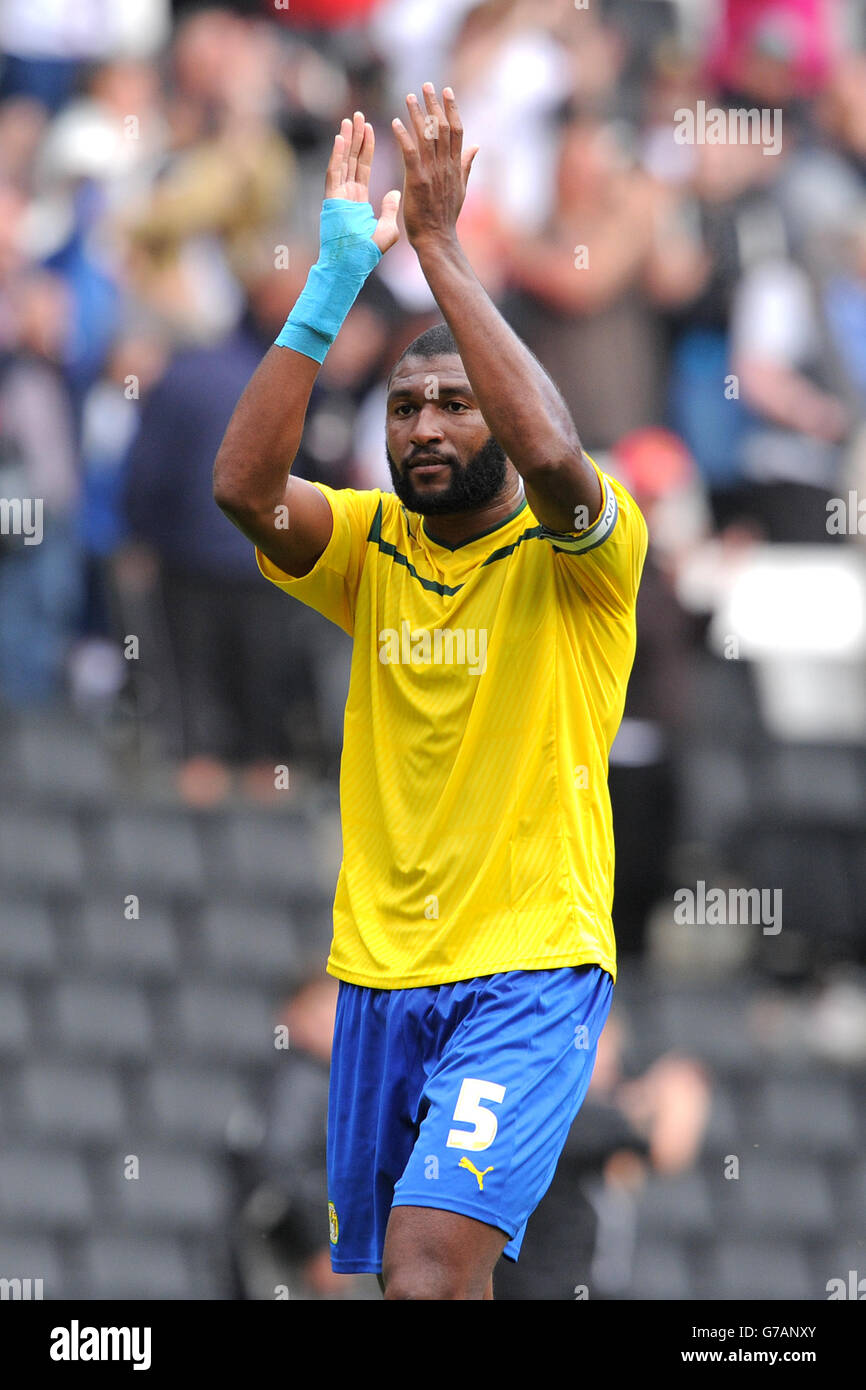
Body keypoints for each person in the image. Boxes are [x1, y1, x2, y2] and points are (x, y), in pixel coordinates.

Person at [213, 83, 647, 1300]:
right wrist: (336, 275)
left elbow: (558, 453)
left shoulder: (585, 559)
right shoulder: (371, 548)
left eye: (455, 403)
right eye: (406, 406)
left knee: (422, 1276)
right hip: (378, 974)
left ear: (499, 420)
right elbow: (245, 489)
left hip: (526, 964)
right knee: (399, 1292)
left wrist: (444, 251)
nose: (424, 426)